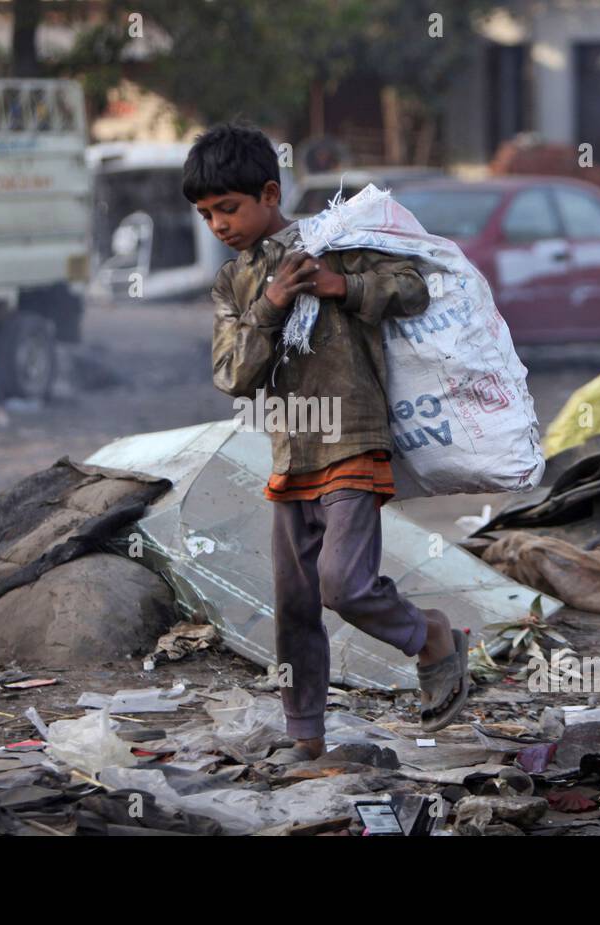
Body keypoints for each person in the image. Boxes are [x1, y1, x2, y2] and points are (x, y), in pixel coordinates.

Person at [182, 122, 471, 765]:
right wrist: (272, 304)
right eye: (206, 216)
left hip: (353, 439)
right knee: (294, 607)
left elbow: (414, 286)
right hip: (291, 454)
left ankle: (428, 634)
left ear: (268, 192)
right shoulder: (235, 283)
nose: (218, 225)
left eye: (227, 208)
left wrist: (348, 287)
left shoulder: (334, 245)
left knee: (343, 584)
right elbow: (232, 373)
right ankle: (304, 737)